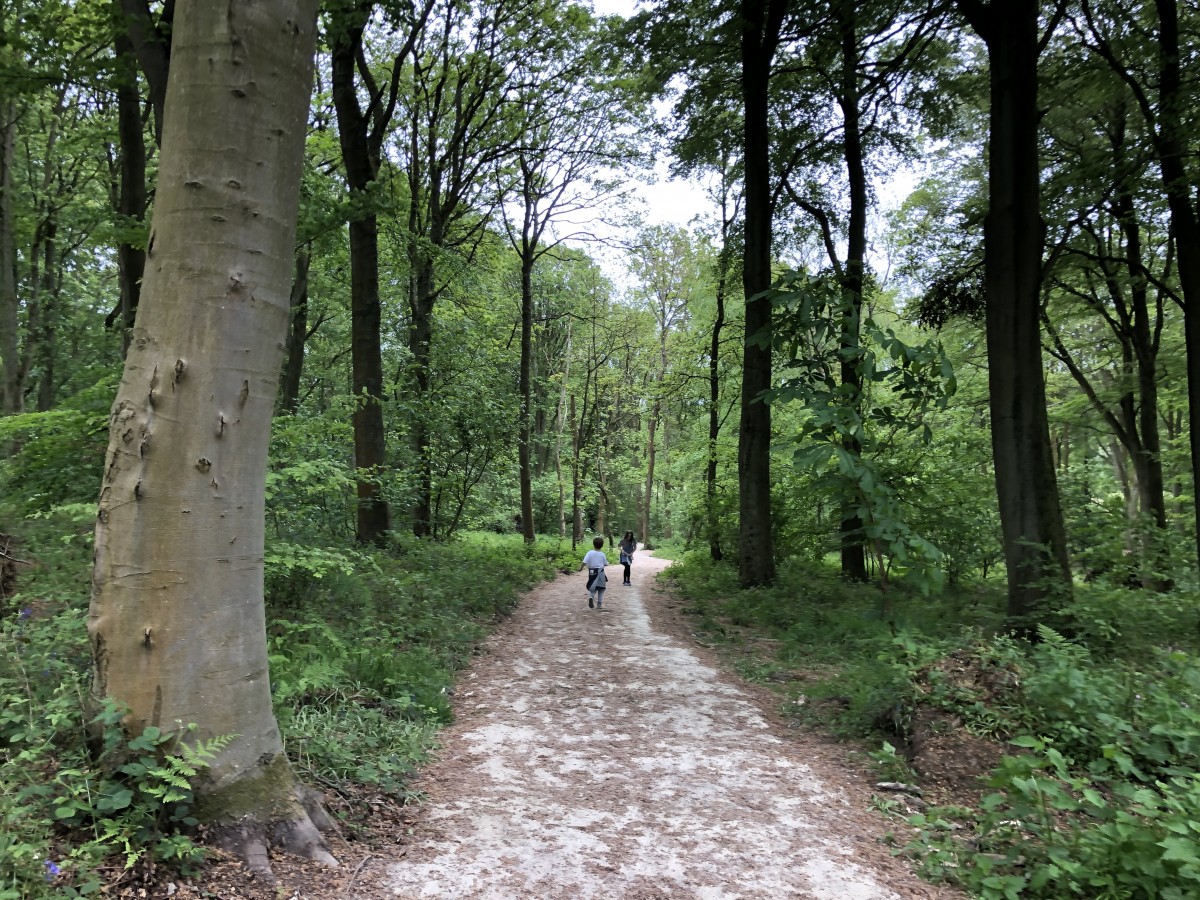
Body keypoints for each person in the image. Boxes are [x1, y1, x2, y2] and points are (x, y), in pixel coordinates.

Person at [581, 536, 609, 609]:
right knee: (601, 588)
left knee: (592, 587)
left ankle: (591, 597)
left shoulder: (590, 552)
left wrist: (580, 568)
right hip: (600, 572)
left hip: (592, 572)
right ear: (602, 545)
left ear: (593, 544)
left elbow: (584, 561)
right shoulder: (602, 554)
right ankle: (599, 604)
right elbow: (605, 563)